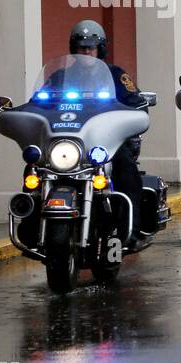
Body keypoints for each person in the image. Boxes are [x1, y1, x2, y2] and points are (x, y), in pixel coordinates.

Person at [68, 20, 149, 249]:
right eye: (82, 47)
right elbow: (40, 102)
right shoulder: (62, 77)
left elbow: (137, 104)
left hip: (106, 144)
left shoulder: (115, 76)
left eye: (90, 47)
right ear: (74, 49)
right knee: (35, 169)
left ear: (100, 49)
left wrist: (134, 114)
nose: (86, 52)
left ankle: (130, 232)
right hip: (72, 144)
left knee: (127, 170)